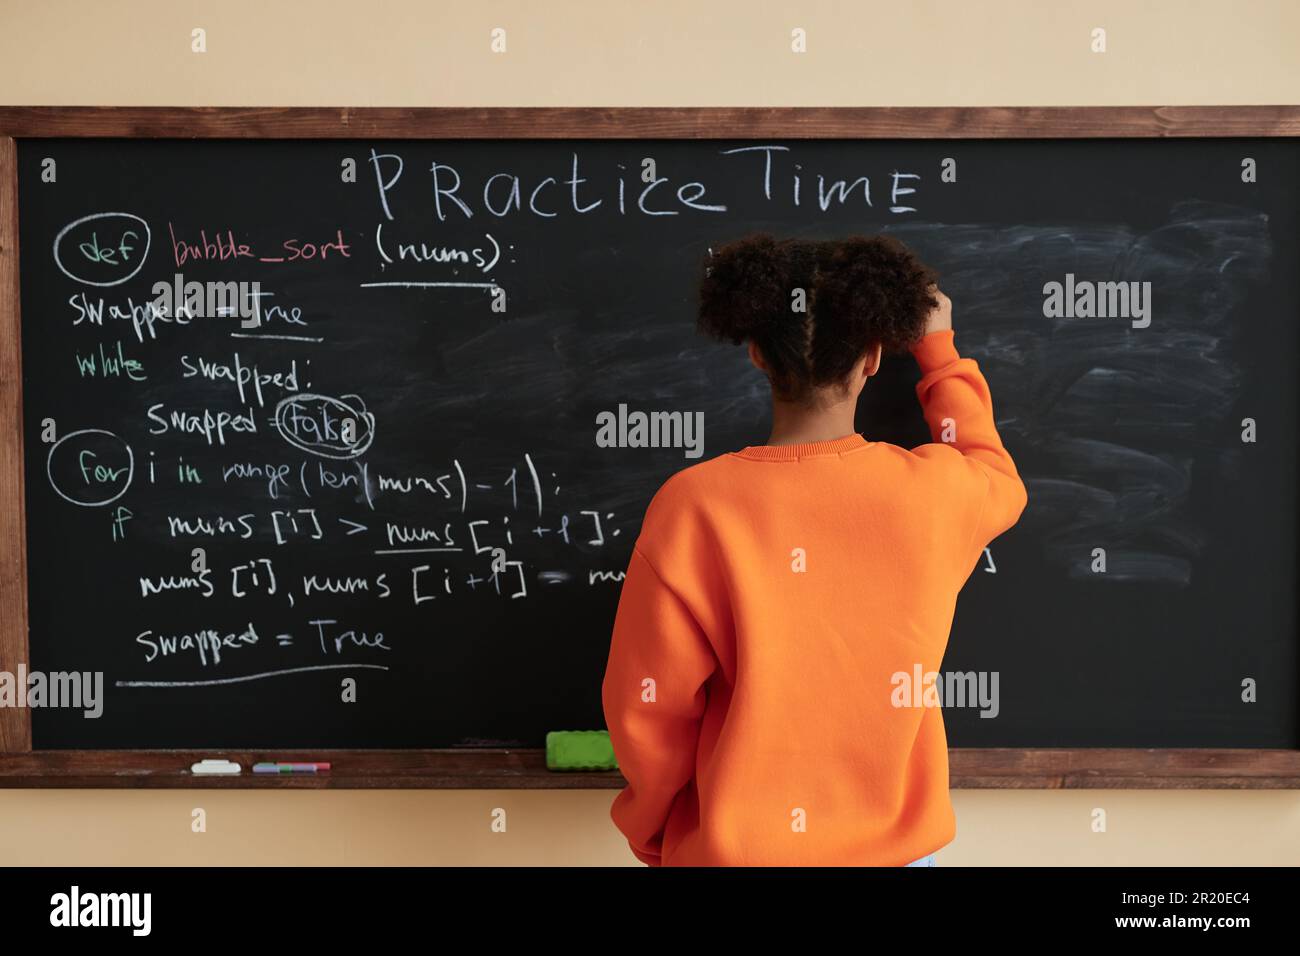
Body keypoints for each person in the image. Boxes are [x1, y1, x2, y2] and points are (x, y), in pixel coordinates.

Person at [601, 233, 1027, 866]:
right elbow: (994, 471)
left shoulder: (693, 506)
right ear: (875, 358)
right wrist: (939, 353)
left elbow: (648, 706)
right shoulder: (935, 494)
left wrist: (653, 832)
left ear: (756, 355)